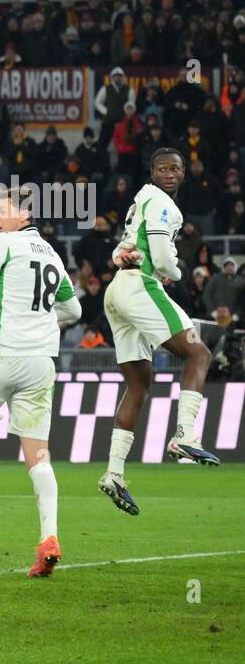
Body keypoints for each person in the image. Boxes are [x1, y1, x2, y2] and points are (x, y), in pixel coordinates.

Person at [0, 192, 82, 576]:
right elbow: (74, 310)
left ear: (25, 214)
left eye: (4, 209)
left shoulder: (3, 244)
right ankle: (49, 537)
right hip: (41, 362)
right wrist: (40, 312)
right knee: (39, 457)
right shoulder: (52, 254)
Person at [99, 149, 219, 515]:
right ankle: (184, 435)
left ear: (184, 173)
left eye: (175, 168)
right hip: (139, 287)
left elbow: (122, 249)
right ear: (152, 172)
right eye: (162, 168)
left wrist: (130, 257)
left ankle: (113, 474)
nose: (169, 173)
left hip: (117, 290)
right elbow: (164, 259)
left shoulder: (141, 199)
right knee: (199, 352)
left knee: (138, 385)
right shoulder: (164, 203)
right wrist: (176, 271)